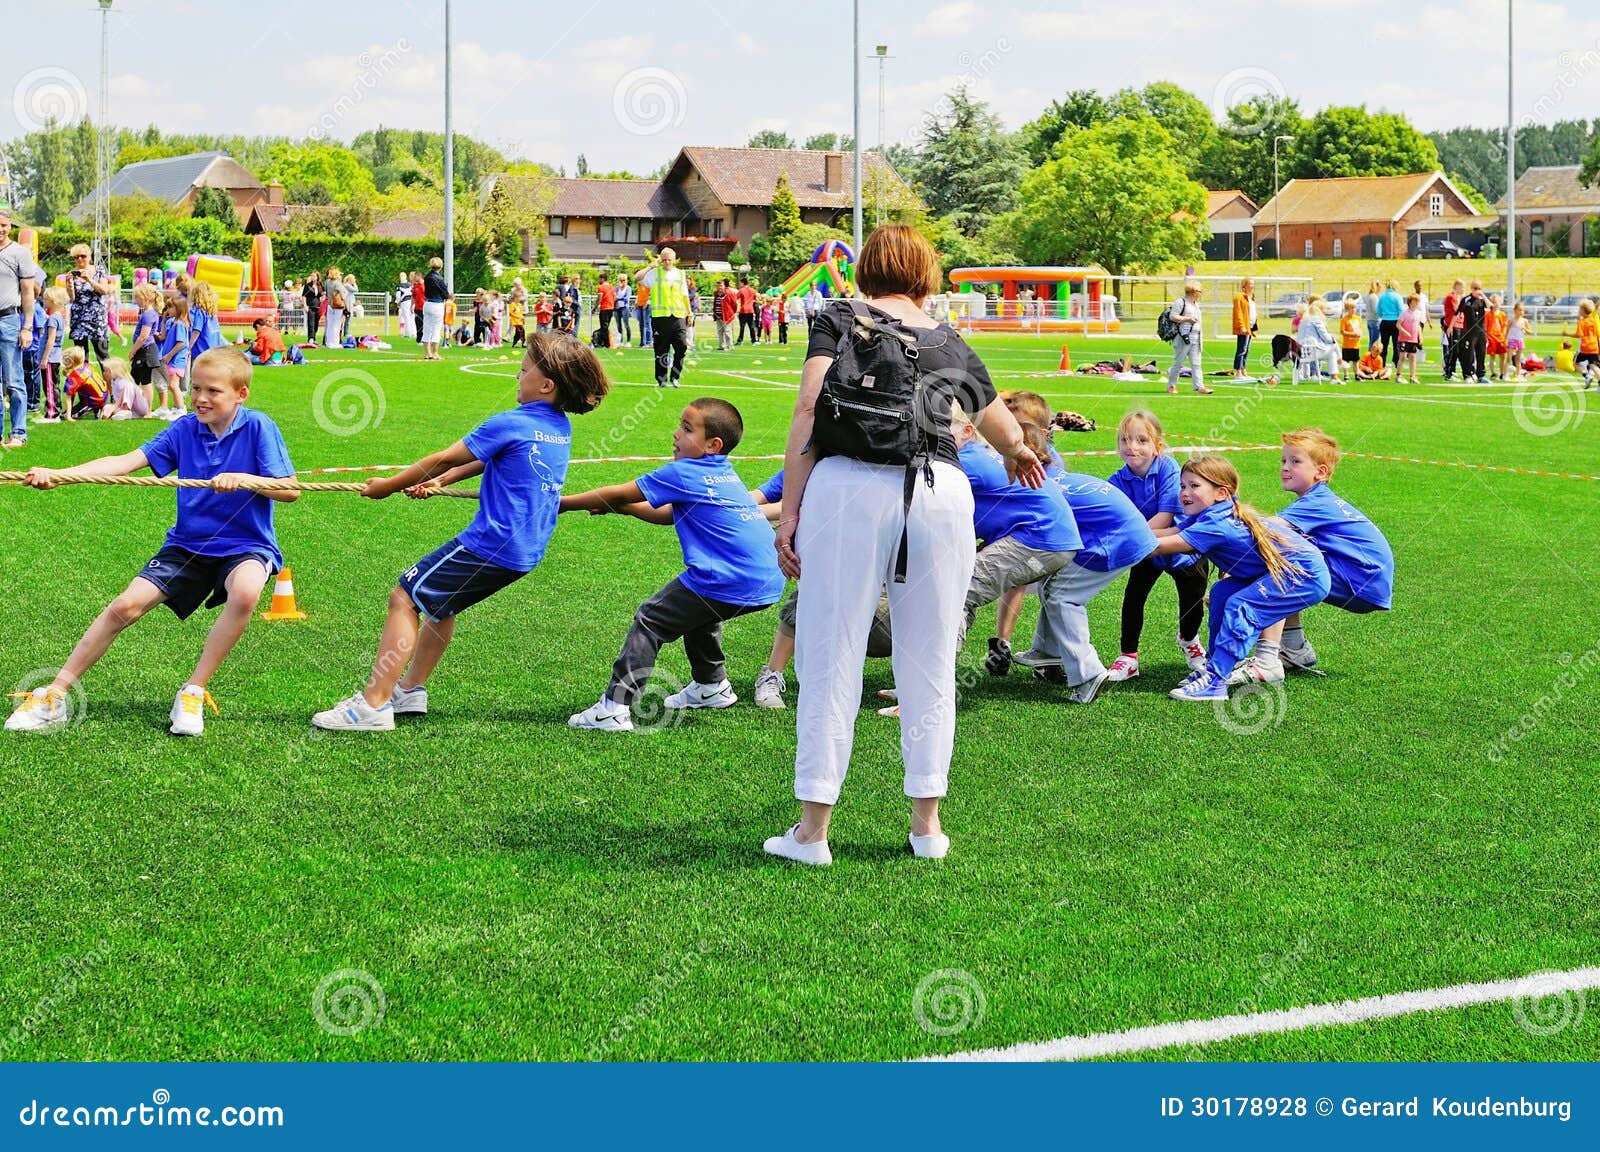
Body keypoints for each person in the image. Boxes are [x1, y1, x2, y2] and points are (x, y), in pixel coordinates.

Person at [767, 224, 1044, 866]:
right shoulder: (947, 336)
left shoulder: (838, 318)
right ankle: (928, 826)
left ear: (867, 267)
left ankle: (812, 831)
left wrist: (792, 514)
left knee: (830, 649)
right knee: (930, 656)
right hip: (941, 490)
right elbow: (997, 419)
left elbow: (809, 411)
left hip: (850, 485)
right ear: (925, 271)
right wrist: (1021, 452)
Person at [311, 334, 610, 731]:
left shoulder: (513, 421)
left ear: (546, 385)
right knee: (440, 605)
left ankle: (373, 705)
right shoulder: (557, 427)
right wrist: (444, 482)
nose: (518, 375)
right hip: (524, 550)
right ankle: (410, 691)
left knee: (405, 596)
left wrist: (388, 486)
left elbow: (444, 457)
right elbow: (483, 460)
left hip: (491, 544)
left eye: (524, 370)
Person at [7, 348, 299, 736]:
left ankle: (193, 691)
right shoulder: (184, 429)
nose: (200, 398)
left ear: (241, 394)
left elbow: (290, 490)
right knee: (125, 606)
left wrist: (247, 479)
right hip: (187, 545)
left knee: (246, 591)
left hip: (245, 545)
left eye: (213, 391)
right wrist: (60, 473)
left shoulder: (259, 427)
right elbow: (124, 462)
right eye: (195, 388)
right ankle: (56, 694)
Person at [564, 397, 784, 731]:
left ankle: (614, 708)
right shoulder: (723, 473)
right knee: (700, 613)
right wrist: (621, 508)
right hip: (766, 580)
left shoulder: (685, 472)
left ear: (713, 444)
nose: (676, 434)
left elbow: (622, 491)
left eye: (686, 428)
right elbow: (670, 515)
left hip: (729, 578)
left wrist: (563, 504)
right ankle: (711, 687)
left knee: (650, 620)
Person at [1151, 455, 1330, 701]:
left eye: (1194, 486)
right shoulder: (1209, 514)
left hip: (1304, 575)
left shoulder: (1217, 523)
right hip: (1290, 571)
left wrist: (1117, 542)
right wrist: (1126, 530)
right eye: (1183, 486)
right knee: (1222, 593)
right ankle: (1212, 668)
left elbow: (1162, 545)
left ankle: (1215, 682)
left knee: (1241, 605)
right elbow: (1171, 531)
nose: (1184, 492)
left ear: (1221, 493)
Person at [1228, 428, 1394, 683]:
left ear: (1321, 472)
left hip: (1361, 582)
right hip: (1366, 579)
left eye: (1295, 462)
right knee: (1286, 556)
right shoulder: (1316, 499)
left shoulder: (1316, 502)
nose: (1285, 467)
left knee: (1278, 560)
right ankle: (1295, 649)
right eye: (1283, 461)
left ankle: (1266, 661)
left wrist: (1224, 521)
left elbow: (1266, 530)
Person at [1101, 410, 1209, 683]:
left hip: (1185, 548)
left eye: (1141, 440)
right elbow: (1106, 512)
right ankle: (1129, 656)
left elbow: (1165, 516)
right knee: (1134, 596)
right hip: (1148, 550)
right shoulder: (1118, 480)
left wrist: (1130, 538)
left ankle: (1189, 639)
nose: (1132, 447)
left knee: (1192, 604)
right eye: (1125, 440)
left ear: (1157, 446)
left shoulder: (1168, 467)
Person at [0, 207, 41, 447]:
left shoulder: (19, 254)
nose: (0, 230)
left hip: (9, 320)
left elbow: (28, 294)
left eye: (4, 225)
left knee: (14, 380)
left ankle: (18, 433)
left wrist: (27, 327)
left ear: (10, 227)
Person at [636, 247, 691, 388]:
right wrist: (650, 266)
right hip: (660, 318)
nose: (667, 262)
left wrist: (689, 313)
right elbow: (636, 277)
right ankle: (662, 379)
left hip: (678, 316)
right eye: (664, 260)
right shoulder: (655, 274)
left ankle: (675, 377)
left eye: (669, 260)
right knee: (662, 350)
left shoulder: (680, 274)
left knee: (682, 346)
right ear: (661, 260)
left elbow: (685, 295)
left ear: (674, 260)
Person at [66, 243, 114, 372]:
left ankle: (111, 390)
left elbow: (104, 290)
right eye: (76, 257)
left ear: (89, 256)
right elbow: (72, 298)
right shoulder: (73, 274)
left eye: (83, 256)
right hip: (78, 320)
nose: (80, 259)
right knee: (81, 358)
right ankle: (85, 390)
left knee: (103, 357)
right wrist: (69, 285)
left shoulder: (99, 271)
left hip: (96, 320)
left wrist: (89, 280)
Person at [1164, 279, 1211, 394]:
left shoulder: (1196, 305)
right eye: (1200, 291)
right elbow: (1173, 316)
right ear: (1194, 292)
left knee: (1196, 364)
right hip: (1183, 337)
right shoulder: (1181, 302)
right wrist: (1187, 319)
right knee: (1178, 362)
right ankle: (1171, 385)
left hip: (1196, 337)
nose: (1200, 294)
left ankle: (1199, 386)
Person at [127, 282, 163, 415]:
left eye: (137, 297)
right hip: (144, 351)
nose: (135, 300)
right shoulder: (149, 313)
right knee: (133, 379)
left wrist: (132, 351)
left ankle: (147, 410)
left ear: (146, 298)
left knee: (145, 382)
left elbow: (143, 337)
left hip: (145, 352)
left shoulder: (148, 315)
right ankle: (133, 407)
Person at [157, 293, 191, 418]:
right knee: (172, 385)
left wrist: (169, 356)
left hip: (176, 360)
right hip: (172, 360)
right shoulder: (173, 323)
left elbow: (181, 343)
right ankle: (177, 407)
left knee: (173, 385)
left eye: (170, 308)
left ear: (179, 310)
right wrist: (164, 320)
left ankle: (181, 409)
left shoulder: (180, 325)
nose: (168, 310)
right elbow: (163, 335)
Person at [37, 285, 67, 423]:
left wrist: (44, 358)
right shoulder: (59, 317)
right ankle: (54, 410)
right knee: (53, 385)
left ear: (53, 301)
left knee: (49, 385)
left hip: (50, 358)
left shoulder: (53, 319)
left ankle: (52, 413)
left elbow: (51, 339)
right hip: (54, 357)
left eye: (46, 299)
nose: (44, 301)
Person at [1456, 280, 1489, 384]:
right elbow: (1457, 313)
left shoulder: (1482, 300)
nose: (1477, 291)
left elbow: (1490, 307)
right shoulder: (1466, 300)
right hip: (1469, 332)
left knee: (1481, 354)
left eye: (1479, 288)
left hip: (1481, 332)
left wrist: (1483, 296)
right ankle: (1468, 374)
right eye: (1475, 288)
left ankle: (1481, 375)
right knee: (1469, 355)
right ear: (1471, 289)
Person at [61, 347, 107, 420]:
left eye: (65, 360)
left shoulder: (75, 376)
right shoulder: (86, 365)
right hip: (103, 395)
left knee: (63, 416)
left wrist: (68, 416)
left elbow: (68, 397)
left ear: (71, 362)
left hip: (93, 401)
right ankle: (98, 407)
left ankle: (96, 408)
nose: (63, 362)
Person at [1564, 298, 1600, 387]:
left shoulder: (1582, 322)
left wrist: (1566, 333)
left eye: (1580, 309)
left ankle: (1586, 376)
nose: (1579, 311)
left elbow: (1578, 334)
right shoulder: (1594, 320)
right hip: (1595, 346)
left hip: (1584, 347)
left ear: (1583, 310)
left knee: (1575, 363)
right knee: (1594, 366)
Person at [421, 257, 449, 361]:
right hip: (437, 305)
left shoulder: (427, 277)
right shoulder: (440, 279)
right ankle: (435, 353)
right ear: (441, 266)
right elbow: (445, 294)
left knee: (427, 329)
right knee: (436, 330)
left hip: (427, 303)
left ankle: (427, 353)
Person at [1230, 278, 1257, 377]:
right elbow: (1238, 313)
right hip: (1244, 328)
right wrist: (1242, 327)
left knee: (1247, 350)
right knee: (1241, 349)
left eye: (1253, 284)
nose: (1252, 286)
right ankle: (1238, 371)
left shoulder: (1251, 298)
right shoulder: (1239, 297)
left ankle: (1243, 369)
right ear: (1244, 286)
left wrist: (1254, 328)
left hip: (1250, 328)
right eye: (1250, 284)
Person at [1396, 295, 1425, 384]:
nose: (1415, 304)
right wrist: (1405, 332)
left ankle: (1413, 376)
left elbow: (1418, 326)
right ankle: (1398, 376)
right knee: (1403, 357)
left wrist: (1420, 336)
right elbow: (1398, 325)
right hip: (1404, 339)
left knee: (1412, 358)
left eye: (1416, 302)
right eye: (1413, 302)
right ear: (1409, 302)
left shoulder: (1419, 313)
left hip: (1413, 339)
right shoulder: (1404, 313)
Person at [1440, 279, 1464, 380]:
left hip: (1458, 325)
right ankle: (1449, 372)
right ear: (1457, 286)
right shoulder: (1452, 297)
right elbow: (1457, 311)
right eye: (1462, 287)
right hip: (1452, 325)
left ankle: (1451, 371)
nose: (1463, 289)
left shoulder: (1456, 297)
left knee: (1457, 349)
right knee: (1453, 349)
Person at [1376, 279, 1404, 367]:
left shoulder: (1382, 297)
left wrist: (1384, 315)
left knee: (1384, 344)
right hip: (1395, 322)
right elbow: (1401, 310)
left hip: (1384, 322)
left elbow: (1378, 311)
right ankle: (1396, 362)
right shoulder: (1397, 296)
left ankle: (1382, 362)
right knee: (1396, 344)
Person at [1338, 296, 1363, 383]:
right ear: (1346, 309)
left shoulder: (1357, 318)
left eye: (1354, 308)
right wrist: (1352, 334)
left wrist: (1359, 334)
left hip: (1356, 345)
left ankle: (1357, 375)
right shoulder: (1344, 320)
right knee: (1346, 361)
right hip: (1347, 344)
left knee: (1356, 361)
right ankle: (1346, 375)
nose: (1353, 310)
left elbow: (1359, 329)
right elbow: (1342, 331)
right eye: (1350, 308)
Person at [1486, 294, 1510, 380]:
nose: (1495, 304)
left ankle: (1502, 373)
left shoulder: (1502, 314)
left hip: (1500, 337)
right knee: (1492, 356)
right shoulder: (1488, 314)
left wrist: (1504, 336)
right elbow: (1486, 326)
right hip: (1491, 337)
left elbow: (1504, 326)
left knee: (1503, 356)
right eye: (1493, 302)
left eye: (1497, 302)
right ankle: (1493, 373)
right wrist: (1487, 336)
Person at [1507, 301, 1532, 380]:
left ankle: (1518, 374)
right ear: (1515, 310)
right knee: (1509, 358)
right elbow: (1507, 330)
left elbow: (1530, 332)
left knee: (1518, 359)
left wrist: (1524, 328)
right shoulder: (1511, 320)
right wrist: (1505, 339)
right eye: (1519, 310)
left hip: (1520, 341)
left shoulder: (1525, 321)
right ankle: (1505, 374)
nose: (1521, 312)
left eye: (1522, 310)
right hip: (1512, 340)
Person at [302, 271, 324, 344]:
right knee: (311, 323)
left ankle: (314, 337)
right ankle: (310, 338)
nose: (313, 277)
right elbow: (304, 296)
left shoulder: (320, 285)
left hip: (318, 306)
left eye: (314, 276)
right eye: (312, 276)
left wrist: (322, 301)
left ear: (317, 277)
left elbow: (322, 294)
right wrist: (305, 306)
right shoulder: (308, 286)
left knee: (316, 323)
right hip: (310, 306)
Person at [595, 272, 616, 348]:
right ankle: (603, 342)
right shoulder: (612, 287)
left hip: (604, 308)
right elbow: (614, 297)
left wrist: (595, 308)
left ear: (602, 279)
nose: (598, 280)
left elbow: (599, 299)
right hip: (611, 308)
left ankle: (606, 343)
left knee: (604, 326)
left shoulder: (601, 287)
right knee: (606, 326)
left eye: (599, 279)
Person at [323, 281, 346, 350]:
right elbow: (343, 295)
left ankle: (328, 342)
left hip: (330, 304)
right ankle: (335, 343)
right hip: (337, 305)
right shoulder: (338, 283)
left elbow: (326, 293)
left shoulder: (327, 282)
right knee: (337, 324)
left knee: (330, 324)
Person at [716, 279, 736, 351]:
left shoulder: (729, 293)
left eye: (721, 286)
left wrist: (732, 313)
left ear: (724, 286)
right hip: (718, 315)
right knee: (720, 332)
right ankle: (721, 345)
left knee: (727, 331)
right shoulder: (716, 293)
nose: (719, 287)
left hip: (727, 316)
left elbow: (734, 304)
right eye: (718, 286)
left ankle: (730, 346)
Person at [735, 276, 756, 345]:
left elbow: (736, 297)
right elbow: (755, 298)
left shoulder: (741, 290)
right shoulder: (752, 290)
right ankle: (754, 340)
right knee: (751, 326)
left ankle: (740, 340)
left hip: (743, 310)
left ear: (743, 283)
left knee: (742, 326)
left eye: (740, 283)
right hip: (751, 310)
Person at [634, 278, 653, 347]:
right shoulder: (639, 285)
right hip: (639, 305)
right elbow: (639, 294)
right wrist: (636, 302)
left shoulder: (647, 283)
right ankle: (642, 342)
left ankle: (649, 342)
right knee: (641, 324)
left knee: (647, 324)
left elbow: (651, 294)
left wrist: (647, 303)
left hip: (646, 306)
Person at [613, 277, 632, 344]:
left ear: (626, 280)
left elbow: (626, 298)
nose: (622, 282)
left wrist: (617, 298)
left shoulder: (628, 288)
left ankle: (628, 341)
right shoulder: (617, 288)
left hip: (624, 308)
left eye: (624, 280)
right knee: (619, 325)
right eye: (621, 280)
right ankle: (620, 341)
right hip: (616, 308)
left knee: (626, 324)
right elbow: (613, 297)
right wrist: (617, 298)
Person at [395, 272, 414, 341]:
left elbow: (398, 295)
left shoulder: (399, 286)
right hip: (411, 301)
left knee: (406, 318)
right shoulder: (410, 285)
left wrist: (398, 302)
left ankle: (408, 333)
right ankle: (413, 332)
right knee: (412, 317)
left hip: (404, 302)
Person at [1363, 280, 1382, 349]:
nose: (1380, 290)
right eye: (1380, 287)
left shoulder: (1368, 295)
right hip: (1375, 321)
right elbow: (1376, 310)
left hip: (1369, 320)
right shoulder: (1374, 297)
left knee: (1371, 342)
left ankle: (1369, 357)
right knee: (1374, 343)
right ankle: (1371, 358)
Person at [410, 272, 426, 343]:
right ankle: (419, 339)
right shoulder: (415, 286)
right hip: (417, 307)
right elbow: (413, 296)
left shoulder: (426, 285)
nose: (414, 278)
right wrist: (411, 305)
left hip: (425, 307)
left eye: (415, 277)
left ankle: (425, 338)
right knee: (418, 323)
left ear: (419, 276)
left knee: (425, 323)